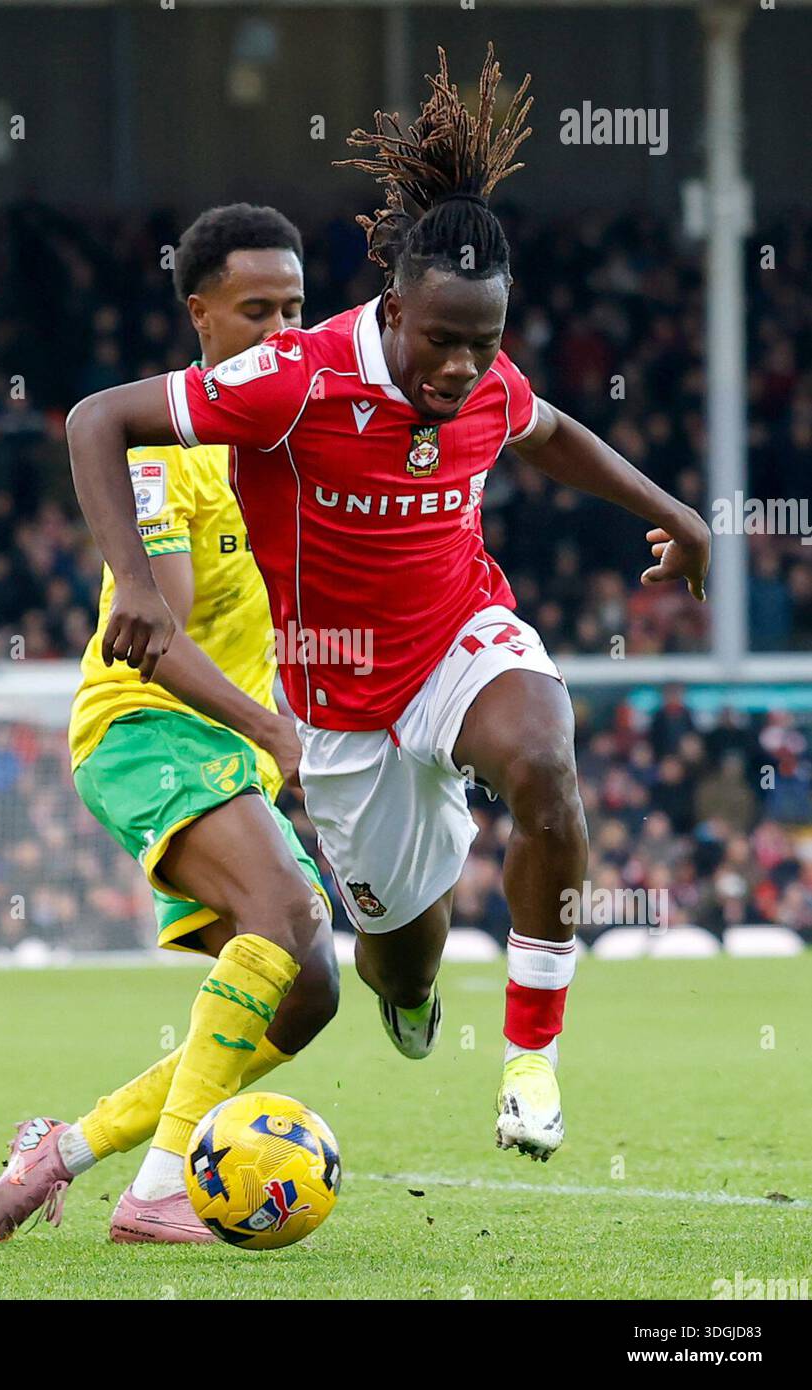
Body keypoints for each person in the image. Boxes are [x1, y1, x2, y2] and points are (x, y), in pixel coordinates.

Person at [65, 47, 710, 1162]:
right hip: (341, 702)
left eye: (485, 342)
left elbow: (547, 429)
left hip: (459, 635)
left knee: (546, 755)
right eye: (443, 341)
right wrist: (131, 578)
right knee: (396, 961)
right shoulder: (294, 380)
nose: (463, 370)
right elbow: (94, 420)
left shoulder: (483, 375)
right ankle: (414, 1000)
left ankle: (529, 1058)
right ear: (393, 307)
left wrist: (673, 512)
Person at [0, 205, 338, 1246]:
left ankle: (64, 1150)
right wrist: (274, 728)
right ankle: (161, 1189)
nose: (278, 331)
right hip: (144, 726)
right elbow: (150, 634)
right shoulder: (164, 449)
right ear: (199, 314)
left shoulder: (298, 447)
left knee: (309, 993)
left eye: (296, 309)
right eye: (254, 309)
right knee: (278, 913)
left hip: (229, 748)